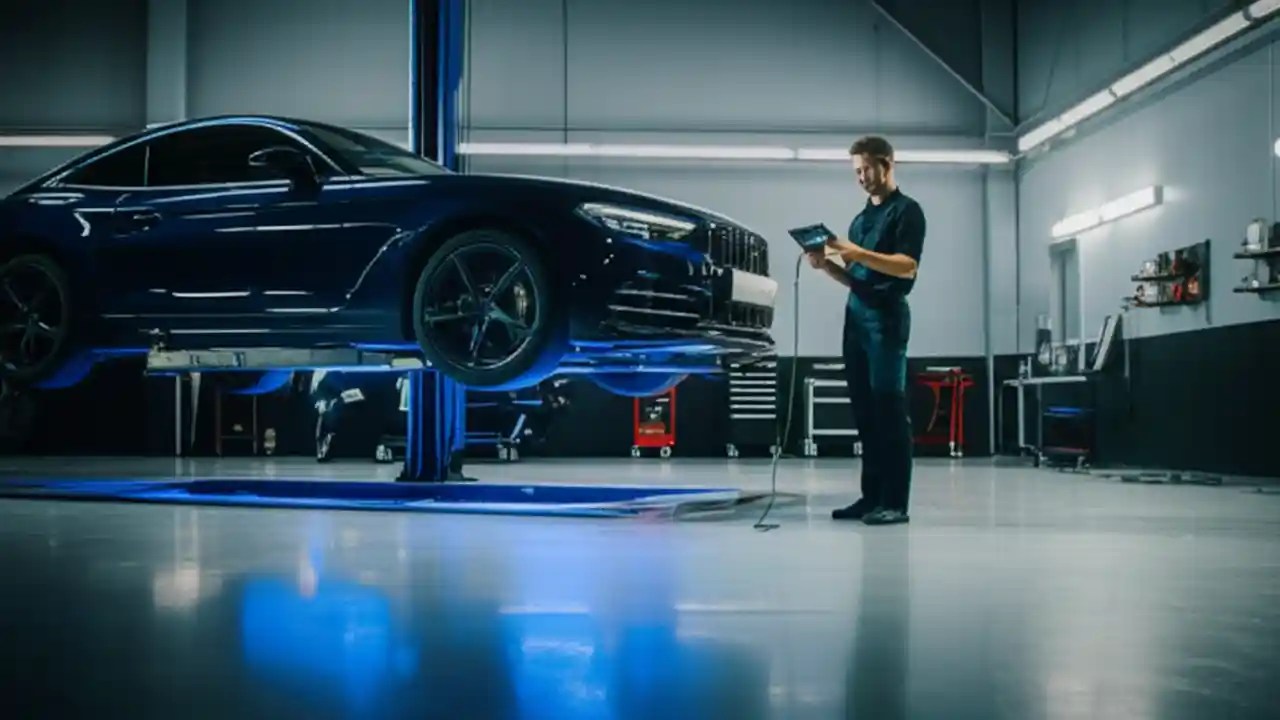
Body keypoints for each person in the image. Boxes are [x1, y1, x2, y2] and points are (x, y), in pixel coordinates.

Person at [806, 135, 925, 526]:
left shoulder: (907, 213)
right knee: (865, 412)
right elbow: (858, 278)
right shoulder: (860, 221)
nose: (861, 177)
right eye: (856, 171)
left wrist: (853, 252)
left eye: (866, 169)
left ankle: (896, 502)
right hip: (856, 321)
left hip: (887, 322)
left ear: (887, 164)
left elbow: (906, 267)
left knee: (889, 412)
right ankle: (871, 497)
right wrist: (827, 265)